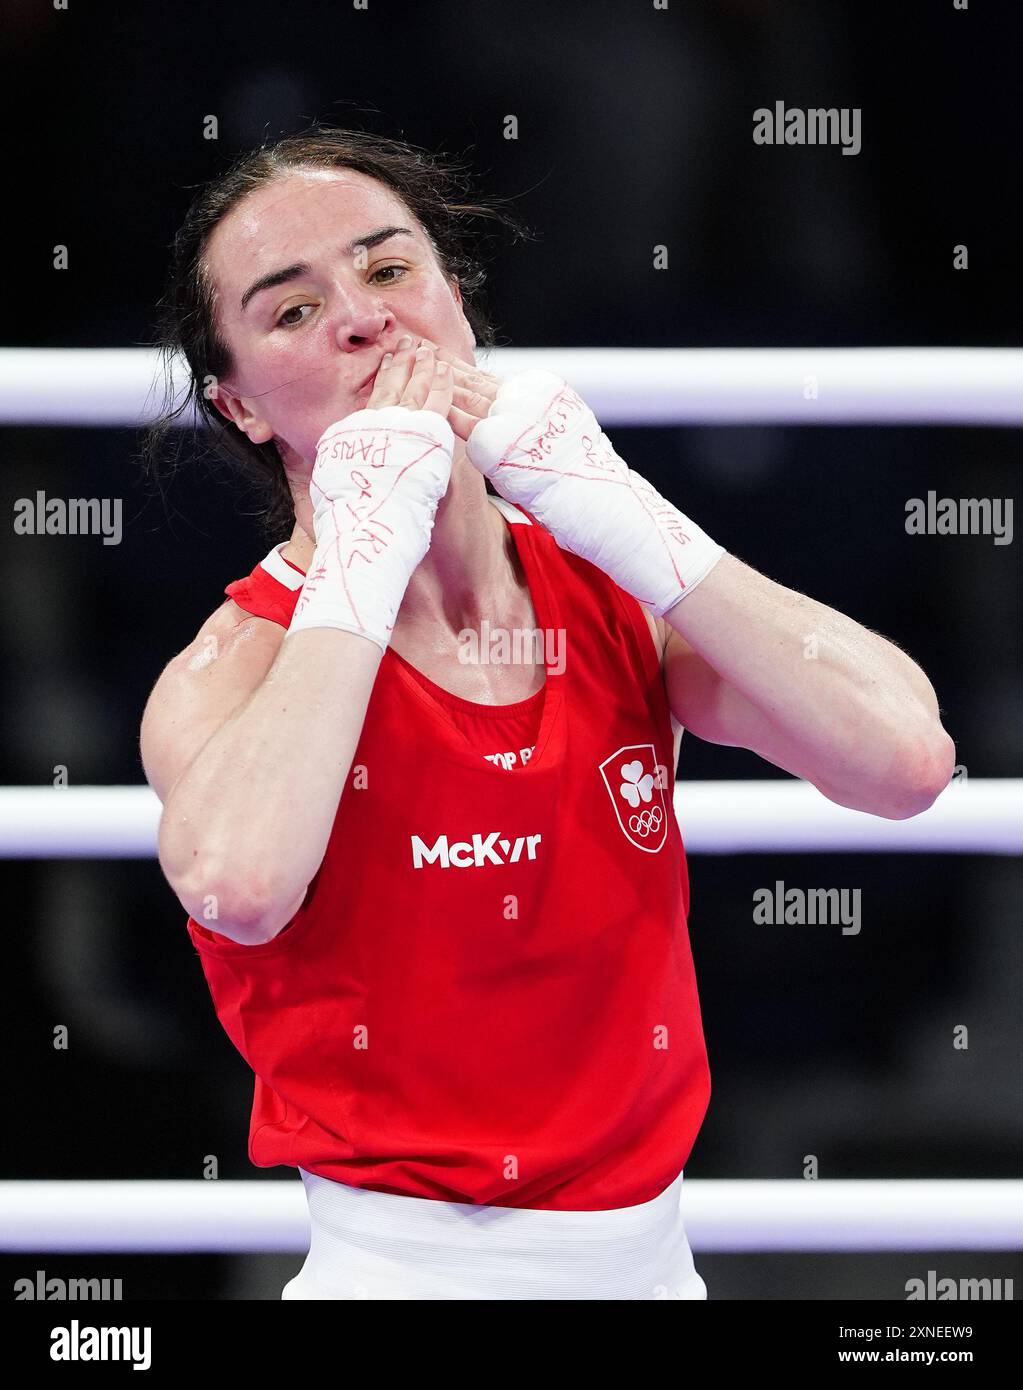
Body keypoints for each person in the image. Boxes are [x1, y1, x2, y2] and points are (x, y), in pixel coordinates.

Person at [139, 126, 955, 1300]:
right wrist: (360, 559)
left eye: (384, 270)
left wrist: (628, 512)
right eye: (291, 311)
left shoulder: (611, 590)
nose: (363, 319)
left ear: (457, 301)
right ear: (242, 408)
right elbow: (243, 885)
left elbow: (906, 761)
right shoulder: (234, 668)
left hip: (655, 1268)